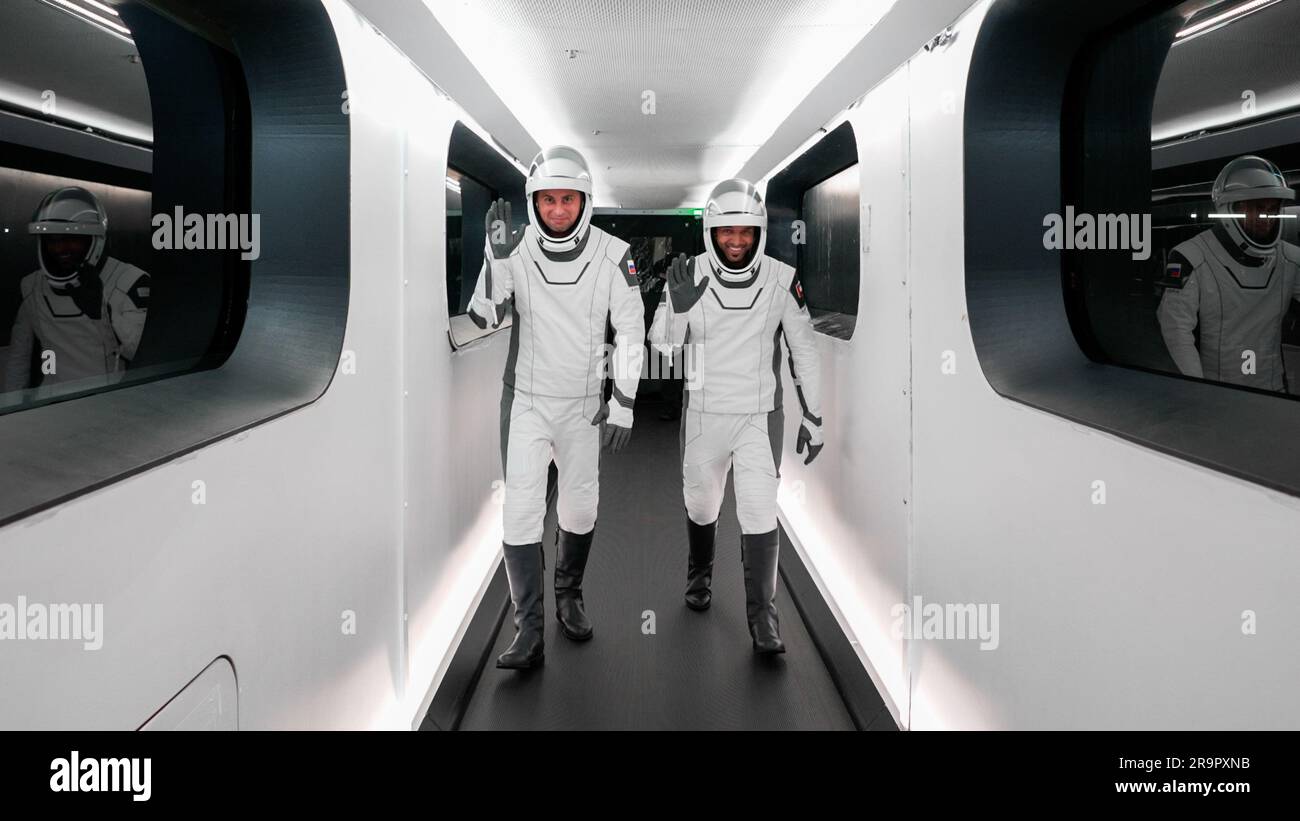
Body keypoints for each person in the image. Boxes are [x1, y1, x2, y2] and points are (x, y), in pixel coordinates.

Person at [466, 145, 646, 669]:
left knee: (579, 507)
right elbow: (485, 315)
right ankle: (529, 630)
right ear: (534, 202)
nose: (559, 210)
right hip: (525, 400)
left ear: (585, 200)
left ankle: (569, 597)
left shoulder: (614, 254)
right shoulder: (514, 249)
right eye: (548, 200)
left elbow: (631, 328)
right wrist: (494, 257)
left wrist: (624, 402)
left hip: (584, 406)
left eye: (568, 199)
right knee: (520, 511)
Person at [648, 179, 824, 654]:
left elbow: (803, 351)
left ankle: (763, 619)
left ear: (759, 231)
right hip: (703, 415)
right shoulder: (685, 275)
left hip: (758, 416)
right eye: (727, 231)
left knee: (758, 512)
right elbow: (661, 348)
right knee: (702, 507)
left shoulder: (782, 280)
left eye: (746, 231)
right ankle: (699, 575)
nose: (737, 241)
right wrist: (678, 311)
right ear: (711, 230)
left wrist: (817, 415)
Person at [1157, 155, 1300, 391]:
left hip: (1273, 388)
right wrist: (1200, 391)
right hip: (1220, 391)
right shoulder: (1192, 257)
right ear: (1230, 209)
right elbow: (1175, 331)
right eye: (1257, 208)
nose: (1265, 218)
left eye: (1272, 209)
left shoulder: (1290, 259)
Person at [2, 186, 149, 397]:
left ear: (94, 239)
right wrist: (13, 407)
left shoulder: (128, 282)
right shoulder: (32, 286)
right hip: (52, 402)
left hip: (110, 401)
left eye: (71, 239)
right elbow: (19, 358)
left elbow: (141, 350)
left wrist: (104, 312)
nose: (60, 248)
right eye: (52, 240)